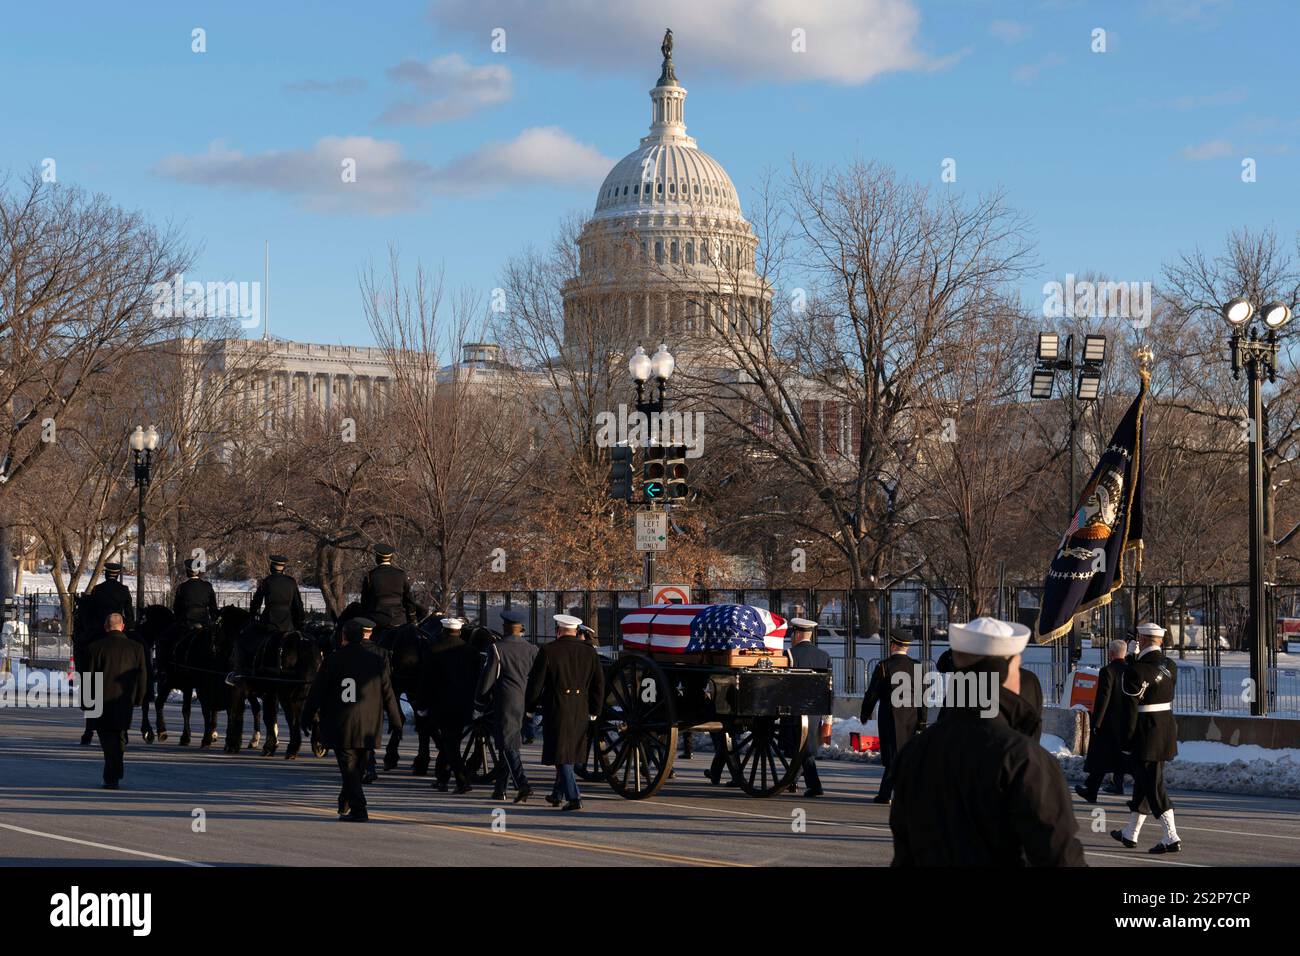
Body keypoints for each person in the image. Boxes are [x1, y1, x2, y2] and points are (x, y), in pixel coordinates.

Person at [890, 617, 1085, 866]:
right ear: (1005, 669)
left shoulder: (915, 752)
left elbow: (904, 853)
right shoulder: (1022, 759)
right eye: (1018, 665)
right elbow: (1060, 857)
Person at [301, 616, 403, 822]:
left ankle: (359, 809)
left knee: (349, 769)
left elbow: (317, 691)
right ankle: (347, 799)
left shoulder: (334, 659)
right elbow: (388, 694)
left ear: (344, 637)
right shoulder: (377, 660)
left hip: (342, 723)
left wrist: (306, 715)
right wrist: (396, 720)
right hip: (369, 724)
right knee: (357, 768)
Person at [1111, 623, 1181, 854]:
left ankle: (1171, 836)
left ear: (1140, 639)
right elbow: (1152, 679)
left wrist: (1126, 739)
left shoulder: (1136, 670)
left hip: (1144, 732)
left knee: (1153, 784)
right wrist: (1134, 660)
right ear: (1160, 640)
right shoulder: (1170, 665)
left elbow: (1129, 706)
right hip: (1165, 728)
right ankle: (1131, 832)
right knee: (1142, 783)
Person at [526, 614, 604, 811]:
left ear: (558, 630)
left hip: (557, 706)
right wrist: (595, 709)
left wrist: (530, 707)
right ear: (576, 631)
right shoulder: (590, 652)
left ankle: (574, 796)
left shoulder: (549, 651)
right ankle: (556, 794)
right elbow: (598, 684)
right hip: (581, 707)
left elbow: (536, 684)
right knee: (567, 750)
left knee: (562, 754)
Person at [475, 610, 538, 802]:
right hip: (525, 701)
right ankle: (500, 788)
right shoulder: (532, 649)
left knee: (508, 745)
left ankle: (522, 784)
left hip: (506, 702)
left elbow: (488, 678)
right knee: (507, 744)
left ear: (506, 627)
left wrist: (479, 701)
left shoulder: (497, 648)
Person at [81, 613, 148, 790]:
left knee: (108, 740)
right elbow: (142, 675)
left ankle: (111, 776)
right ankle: (114, 772)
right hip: (125, 700)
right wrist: (140, 697)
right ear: (123, 627)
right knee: (119, 736)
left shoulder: (95, 647)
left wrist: (86, 703)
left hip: (101, 701)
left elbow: (88, 677)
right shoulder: (136, 648)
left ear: (105, 627)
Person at [860, 634, 923, 804]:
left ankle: (892, 793)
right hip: (910, 715)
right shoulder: (916, 666)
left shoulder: (884, 666)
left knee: (892, 755)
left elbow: (873, 693)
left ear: (892, 645)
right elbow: (920, 696)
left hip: (890, 715)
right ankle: (889, 793)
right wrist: (922, 719)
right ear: (907, 647)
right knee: (902, 753)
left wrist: (865, 713)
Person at [425, 617, 478, 794]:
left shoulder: (434, 650)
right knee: (450, 742)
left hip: (443, 705)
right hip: (465, 705)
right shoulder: (471, 652)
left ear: (443, 631)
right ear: (459, 631)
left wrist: (422, 703)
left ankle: (462, 780)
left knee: (450, 744)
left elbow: (427, 682)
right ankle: (442, 777)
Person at [1076, 639, 1131, 802]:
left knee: (1101, 756)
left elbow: (1103, 698)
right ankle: (1114, 785)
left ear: (1111, 653)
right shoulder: (1130, 670)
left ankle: (1091, 790)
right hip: (1126, 720)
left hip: (1109, 721)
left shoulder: (1108, 671)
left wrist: (1096, 722)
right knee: (1119, 756)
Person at [787, 618, 829, 797]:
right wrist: (827, 716)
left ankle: (814, 785)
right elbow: (828, 688)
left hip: (796, 709)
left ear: (796, 634)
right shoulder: (824, 656)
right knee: (804, 746)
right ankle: (792, 780)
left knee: (802, 747)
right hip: (816, 708)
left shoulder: (789, 654)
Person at [359, 544, 419, 634]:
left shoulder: (370, 576)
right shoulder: (401, 575)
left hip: (377, 621)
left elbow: (364, 603)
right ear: (391, 558)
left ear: (377, 559)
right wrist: (413, 620)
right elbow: (409, 600)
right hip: (399, 621)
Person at [173, 558, 218, 627]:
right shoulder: (208, 586)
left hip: (186, 625)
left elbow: (176, 608)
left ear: (187, 571)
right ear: (199, 571)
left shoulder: (181, 587)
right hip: (204, 624)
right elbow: (213, 608)